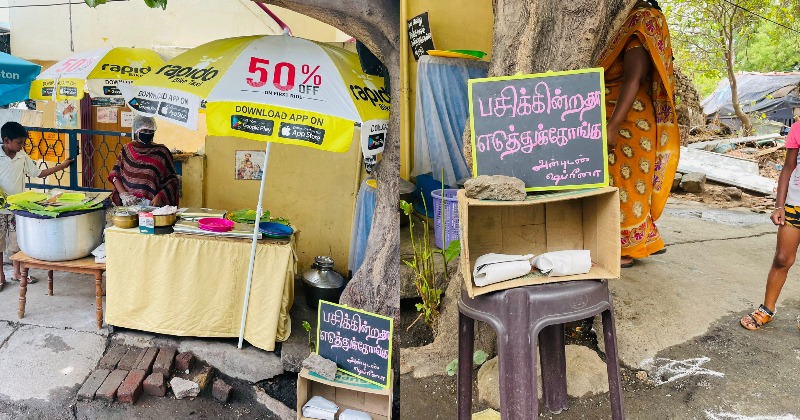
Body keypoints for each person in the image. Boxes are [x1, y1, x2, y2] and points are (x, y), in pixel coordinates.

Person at [597, 0, 680, 267]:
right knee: (621, 184)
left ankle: (625, 248)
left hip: (628, 120)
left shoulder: (642, 20)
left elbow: (634, 78)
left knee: (625, 185)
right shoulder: (619, 22)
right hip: (617, 115)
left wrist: (612, 127)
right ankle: (641, 239)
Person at [740, 121, 800, 330]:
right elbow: (788, 167)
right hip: (795, 203)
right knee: (782, 258)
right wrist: (779, 205)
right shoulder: (798, 128)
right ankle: (767, 309)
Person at [0, 121, 74, 285]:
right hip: (0, 208)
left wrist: (62, 166)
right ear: (6, 141)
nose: (21, 146)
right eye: (19, 143)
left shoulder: (21, 156)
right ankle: (0, 276)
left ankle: (17, 273)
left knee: (17, 241)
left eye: (23, 143)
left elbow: (38, 173)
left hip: (16, 208)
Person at [109, 115, 179, 207]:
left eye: (151, 131)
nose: (147, 134)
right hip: (129, 204)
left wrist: (160, 196)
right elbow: (115, 175)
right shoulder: (127, 150)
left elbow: (172, 180)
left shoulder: (161, 152)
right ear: (137, 131)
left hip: (152, 205)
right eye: (144, 130)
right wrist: (124, 195)